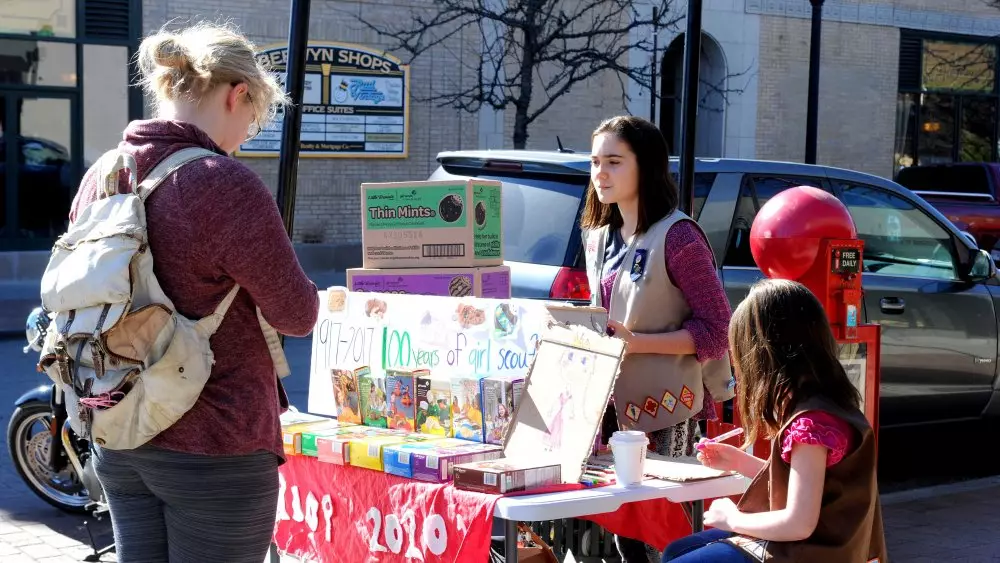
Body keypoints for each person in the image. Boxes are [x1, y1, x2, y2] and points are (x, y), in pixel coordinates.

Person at [75, 22, 320, 563]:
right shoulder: (221, 181)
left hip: (120, 428)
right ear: (239, 95)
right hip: (215, 443)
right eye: (254, 118)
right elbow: (297, 314)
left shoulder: (103, 175)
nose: (247, 133)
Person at [581, 115, 734, 563]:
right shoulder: (598, 235)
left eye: (613, 161)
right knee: (621, 536)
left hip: (667, 408)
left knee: (660, 537)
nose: (600, 174)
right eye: (594, 162)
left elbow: (717, 329)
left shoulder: (678, 234)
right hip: (605, 408)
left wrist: (636, 342)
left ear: (645, 167)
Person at [662, 279, 887, 563]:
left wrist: (731, 518)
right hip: (823, 548)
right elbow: (806, 483)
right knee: (676, 552)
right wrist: (738, 462)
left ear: (763, 356)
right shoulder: (828, 406)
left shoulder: (811, 425)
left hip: (808, 552)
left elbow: (798, 523)